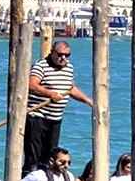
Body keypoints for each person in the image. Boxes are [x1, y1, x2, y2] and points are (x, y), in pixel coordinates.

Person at [25, 39, 93, 172]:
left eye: (67, 55)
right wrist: (50, 94)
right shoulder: (41, 66)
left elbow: (70, 88)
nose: (63, 58)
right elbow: (31, 85)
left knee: (50, 155)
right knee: (33, 155)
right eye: (60, 54)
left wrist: (87, 100)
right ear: (52, 52)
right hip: (37, 116)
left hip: (55, 119)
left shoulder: (69, 68)